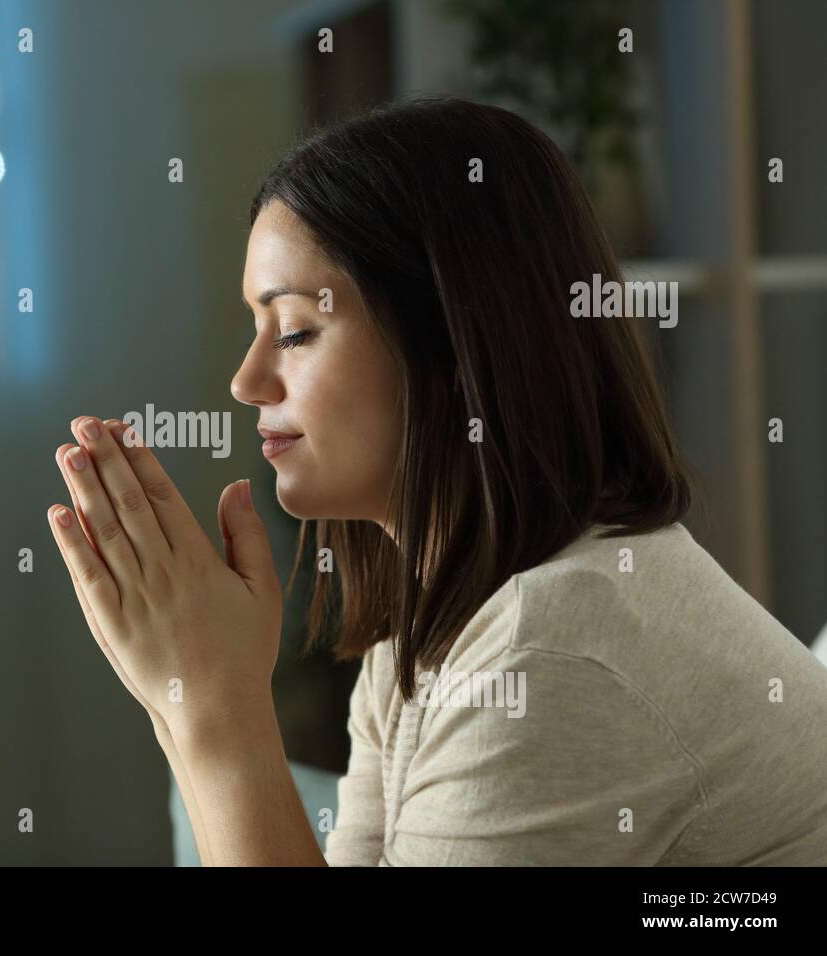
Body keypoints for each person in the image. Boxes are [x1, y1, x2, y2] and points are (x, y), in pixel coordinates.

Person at [45, 97, 827, 866]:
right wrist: (178, 696)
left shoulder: (547, 652)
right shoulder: (427, 639)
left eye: (293, 331)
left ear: (453, 345)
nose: (247, 381)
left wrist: (218, 710)